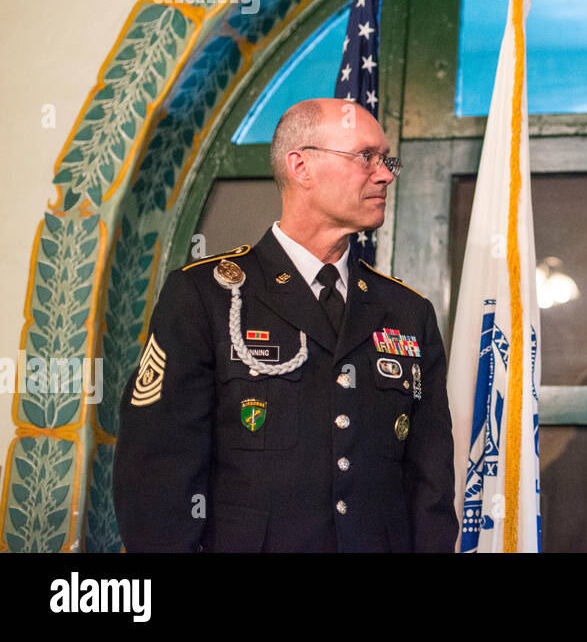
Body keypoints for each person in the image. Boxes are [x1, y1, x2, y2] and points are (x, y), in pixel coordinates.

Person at [113, 98, 457, 552]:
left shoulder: (407, 311)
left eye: (387, 159)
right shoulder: (205, 296)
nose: (386, 173)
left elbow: (430, 485)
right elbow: (156, 476)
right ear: (301, 166)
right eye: (366, 157)